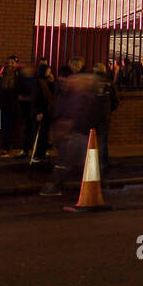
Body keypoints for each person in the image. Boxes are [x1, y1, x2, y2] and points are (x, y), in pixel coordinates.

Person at [40, 61, 98, 197]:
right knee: (78, 162)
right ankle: (92, 186)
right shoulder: (76, 95)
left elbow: (75, 113)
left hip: (76, 133)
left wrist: (66, 126)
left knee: (66, 161)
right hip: (77, 133)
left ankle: (58, 185)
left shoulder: (80, 96)